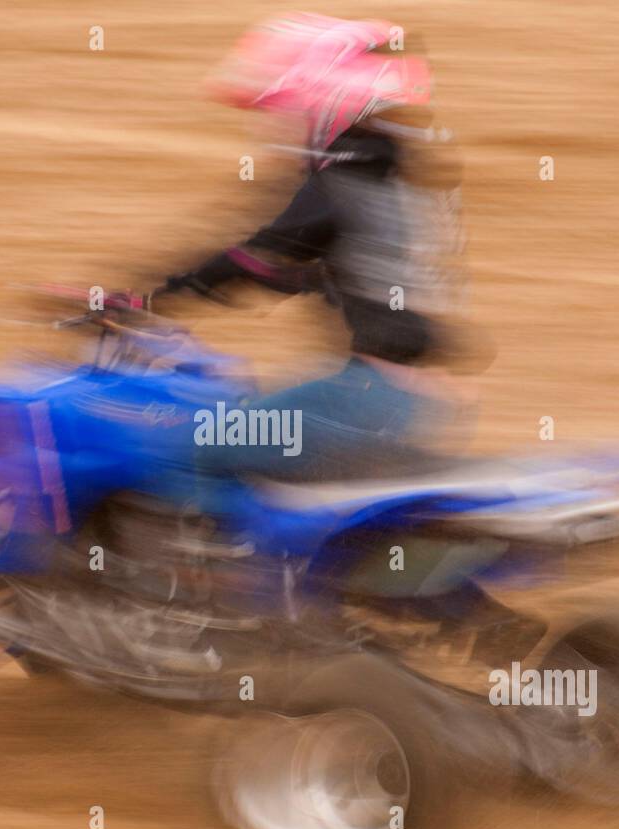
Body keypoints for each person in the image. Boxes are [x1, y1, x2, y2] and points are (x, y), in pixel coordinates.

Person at [150, 14, 475, 490]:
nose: (282, 125)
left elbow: (258, 255)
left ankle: (200, 564)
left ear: (324, 101)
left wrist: (151, 298)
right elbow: (337, 266)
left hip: (366, 395)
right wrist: (291, 280)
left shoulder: (342, 180)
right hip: (426, 398)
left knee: (188, 447)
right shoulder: (399, 173)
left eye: (288, 110)